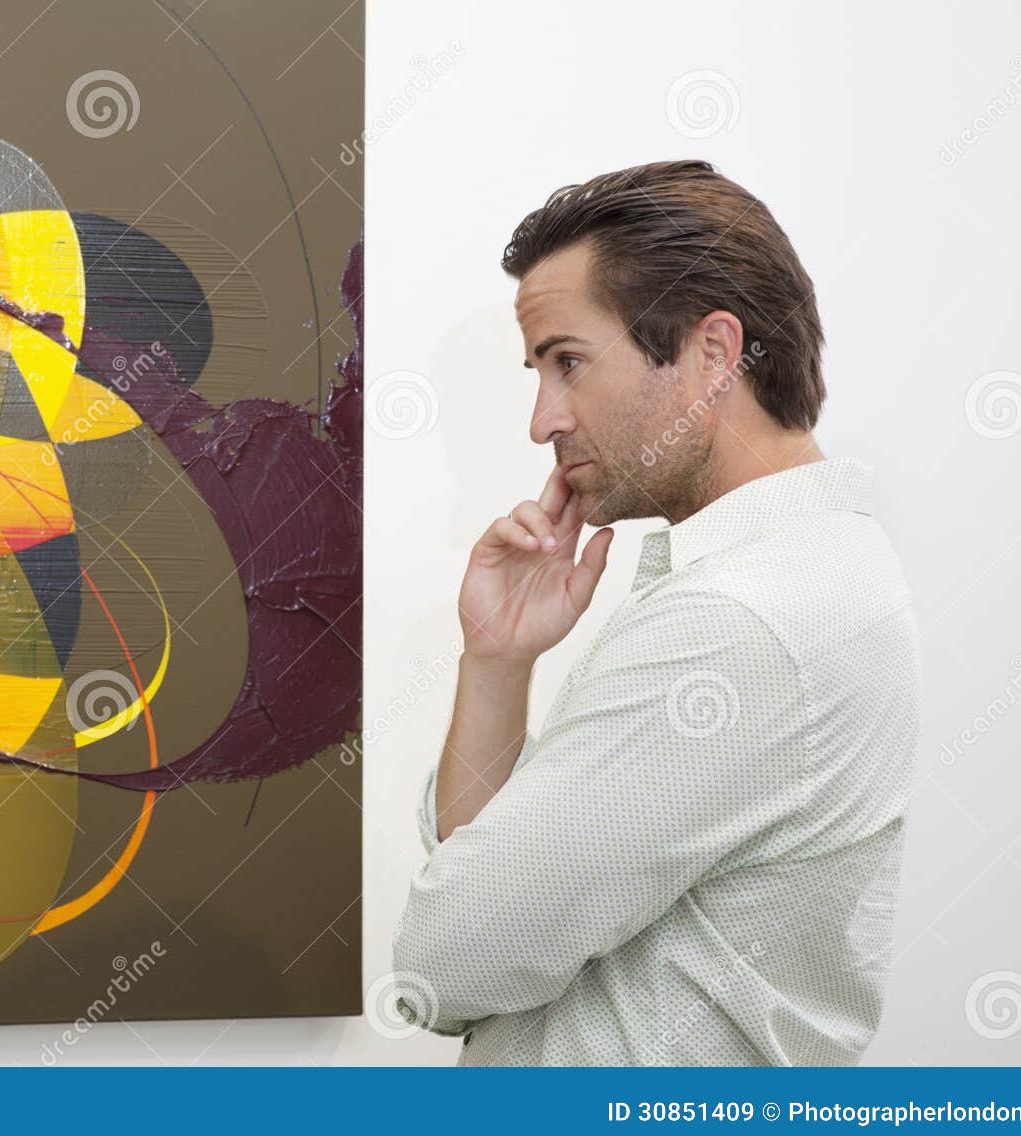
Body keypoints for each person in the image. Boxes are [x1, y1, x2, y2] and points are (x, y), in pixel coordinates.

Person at [391, 160, 920, 1065]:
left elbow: (441, 967)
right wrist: (498, 660)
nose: (542, 420)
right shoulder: (815, 569)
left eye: (568, 362)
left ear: (713, 355)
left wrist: (451, 936)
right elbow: (475, 907)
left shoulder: (740, 621)